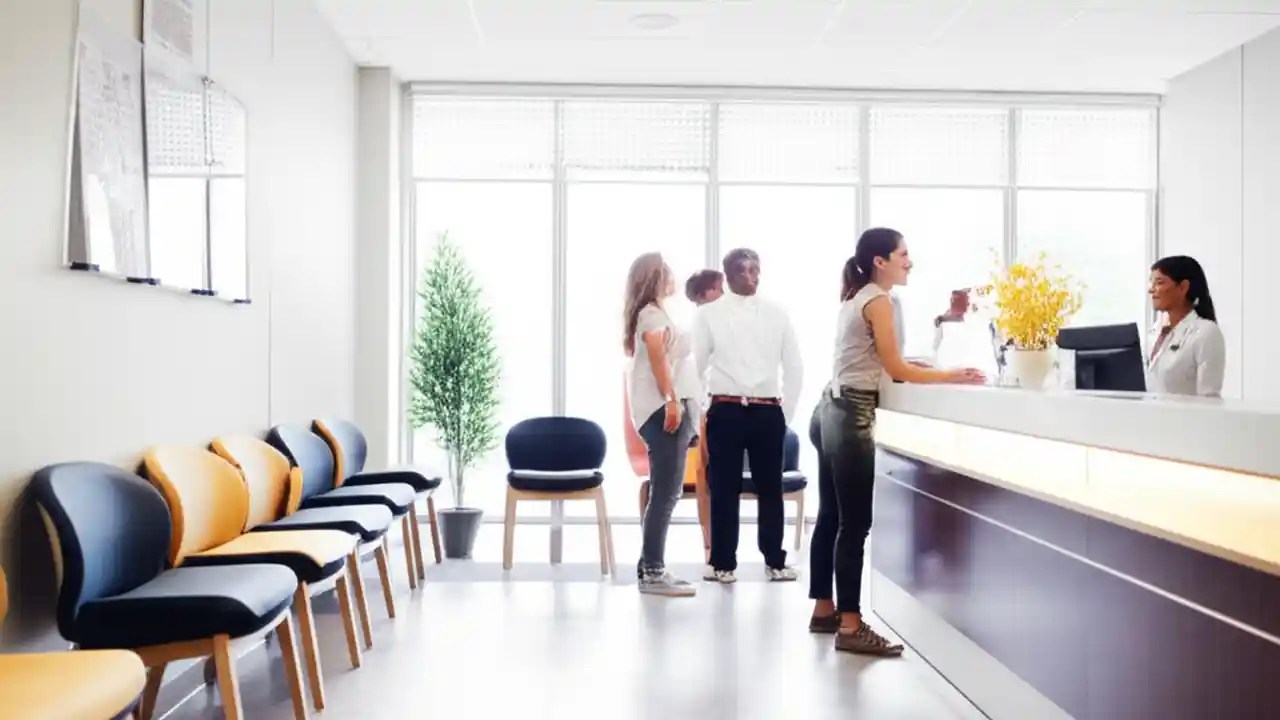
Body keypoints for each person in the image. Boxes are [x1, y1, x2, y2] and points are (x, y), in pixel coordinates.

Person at [809, 228, 984, 656]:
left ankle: (824, 610)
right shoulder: (878, 300)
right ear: (879, 260)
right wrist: (952, 375)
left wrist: (919, 364)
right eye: (903, 254)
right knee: (854, 525)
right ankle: (851, 627)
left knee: (832, 517)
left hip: (828, 408)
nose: (910, 261)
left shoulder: (858, 295)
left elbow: (886, 361)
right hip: (851, 414)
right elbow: (895, 369)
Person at [694, 248, 802, 584]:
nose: (753, 277)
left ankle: (775, 560)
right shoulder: (708, 315)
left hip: (768, 410)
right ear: (728, 276)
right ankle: (722, 562)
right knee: (723, 487)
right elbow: (696, 366)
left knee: (771, 488)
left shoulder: (777, 313)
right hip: (724, 408)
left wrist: (785, 413)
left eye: (756, 270)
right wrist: (703, 408)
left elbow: (794, 365)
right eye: (744, 272)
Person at [625, 252, 701, 596]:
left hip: (668, 409)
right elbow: (658, 359)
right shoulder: (651, 316)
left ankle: (648, 566)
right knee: (666, 493)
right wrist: (671, 401)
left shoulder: (655, 313)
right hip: (662, 410)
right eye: (668, 271)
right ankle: (654, 571)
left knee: (664, 492)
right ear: (657, 276)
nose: (674, 275)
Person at [1146, 255, 1225, 397]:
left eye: (1159, 282)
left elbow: (1209, 400)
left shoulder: (1206, 333)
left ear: (1183, 287)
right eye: (1151, 283)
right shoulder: (1155, 332)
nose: (1151, 290)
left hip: (1186, 418)